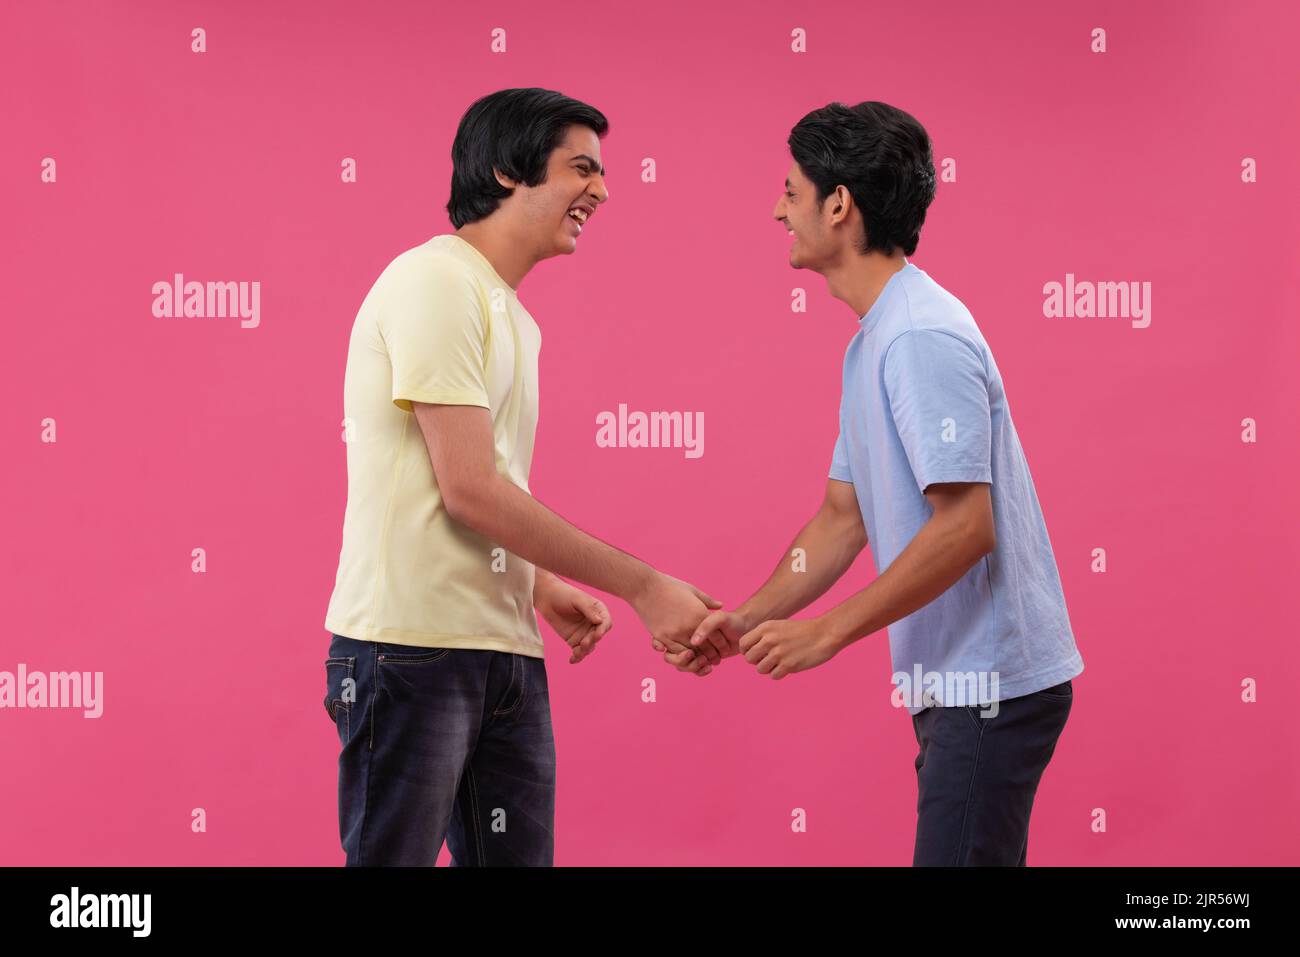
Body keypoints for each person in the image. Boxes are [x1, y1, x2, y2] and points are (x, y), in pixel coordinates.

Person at [660, 101, 1085, 866]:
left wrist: (826, 632)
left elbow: (965, 527)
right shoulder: (876, 341)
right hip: (955, 683)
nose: (776, 210)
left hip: (988, 685)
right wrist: (744, 620)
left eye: (790, 192)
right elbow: (840, 518)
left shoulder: (920, 334)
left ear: (839, 204)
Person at [322, 87, 720, 866]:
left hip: (500, 649)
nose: (601, 190)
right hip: (409, 647)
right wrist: (642, 586)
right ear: (509, 170)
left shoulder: (508, 312)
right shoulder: (434, 282)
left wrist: (536, 583)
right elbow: (469, 486)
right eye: (581, 168)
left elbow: (473, 482)